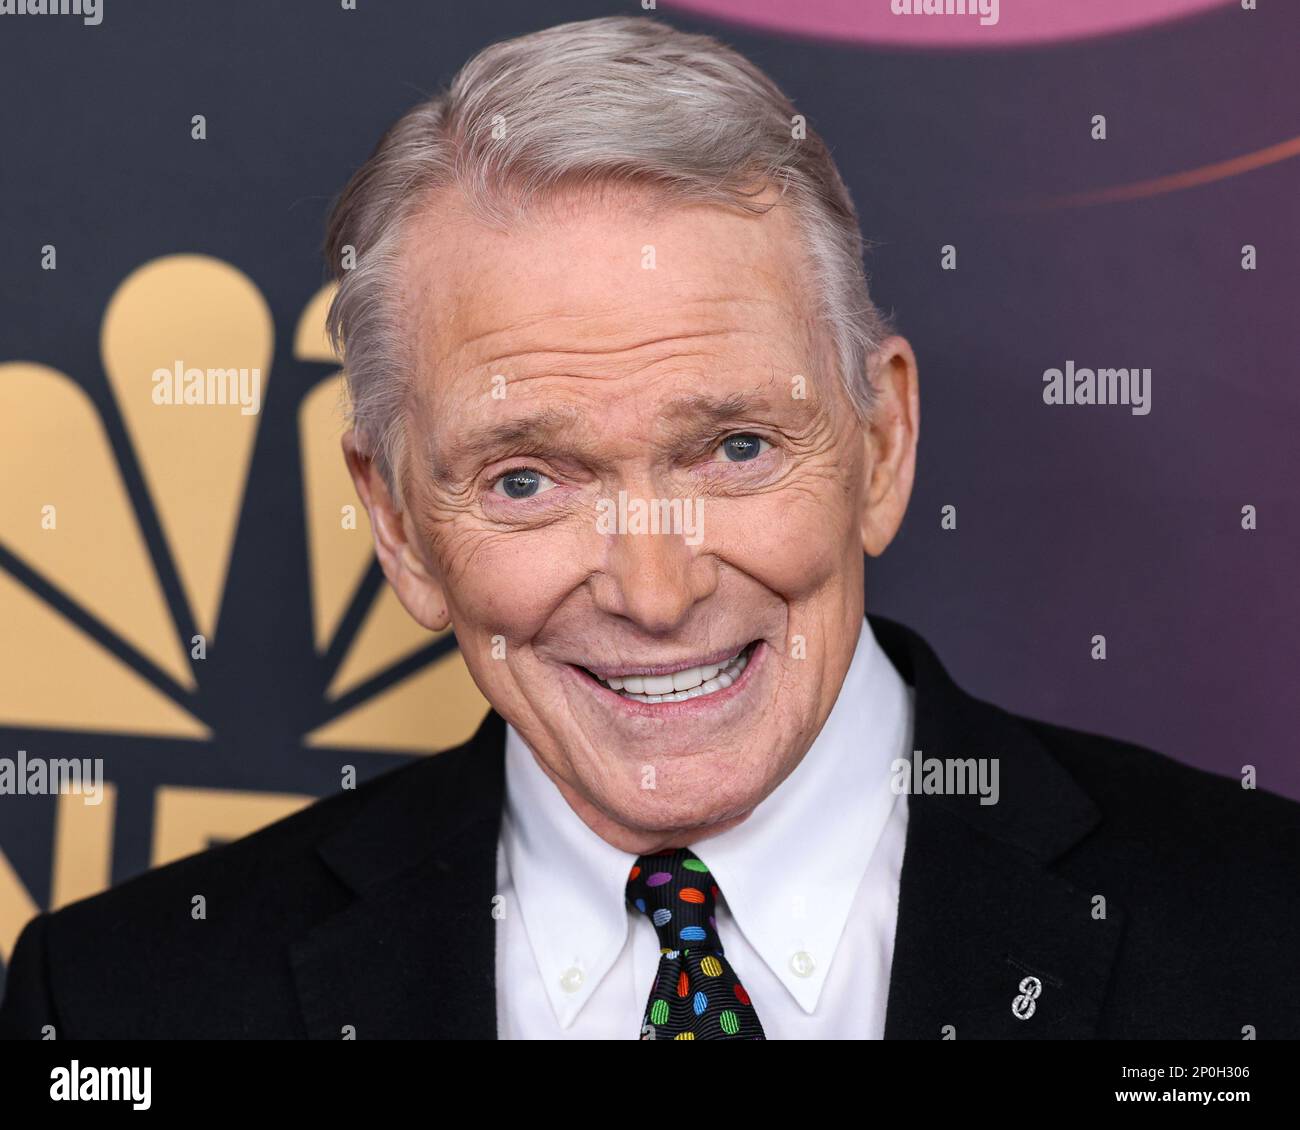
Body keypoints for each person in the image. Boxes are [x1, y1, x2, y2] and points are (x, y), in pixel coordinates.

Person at [3, 15, 1297, 1041]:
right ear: (397, 521)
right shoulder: (123, 1000)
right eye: (527, 479)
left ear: (883, 445)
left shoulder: (1264, 928)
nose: (655, 587)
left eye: (734, 448)